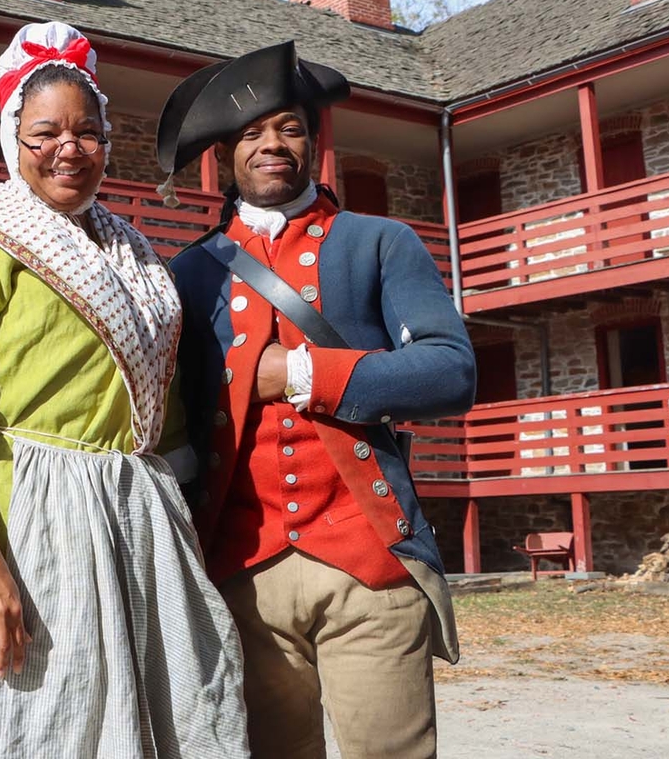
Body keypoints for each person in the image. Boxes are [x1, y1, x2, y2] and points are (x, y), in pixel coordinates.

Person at [0, 21, 249, 758]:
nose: (69, 148)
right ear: (12, 138)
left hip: (130, 525)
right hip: (12, 518)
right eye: (45, 133)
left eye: (88, 132)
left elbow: (167, 417)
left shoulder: (135, 255)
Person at [158, 41, 475, 759]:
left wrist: (300, 374)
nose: (273, 144)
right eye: (251, 133)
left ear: (314, 142)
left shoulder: (380, 242)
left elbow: (450, 371)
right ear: (225, 155)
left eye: (290, 127)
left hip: (370, 562)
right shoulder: (188, 272)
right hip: (243, 572)